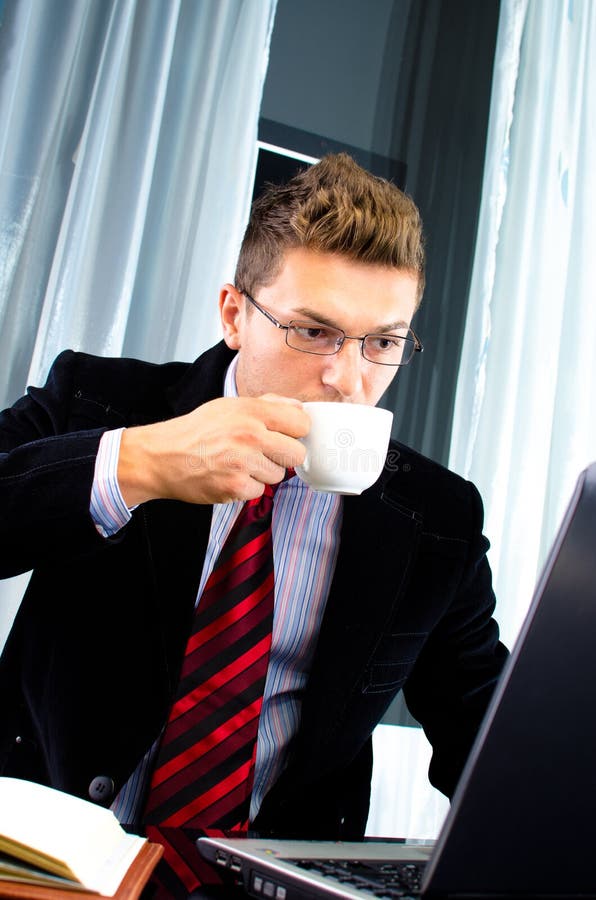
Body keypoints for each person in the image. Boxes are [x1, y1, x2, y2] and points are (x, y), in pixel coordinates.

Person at [0, 154, 507, 853]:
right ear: (235, 315)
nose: (347, 378)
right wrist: (140, 463)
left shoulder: (436, 520)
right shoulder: (99, 401)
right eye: (313, 331)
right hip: (51, 861)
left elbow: (488, 730)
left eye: (382, 343)